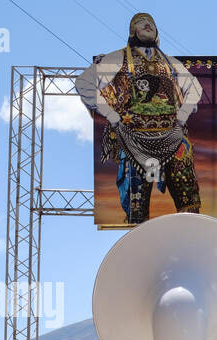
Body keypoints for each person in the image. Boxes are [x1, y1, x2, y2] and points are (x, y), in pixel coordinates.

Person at [74, 12, 202, 223]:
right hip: (134, 140)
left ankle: (192, 237)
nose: (148, 26)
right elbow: (84, 83)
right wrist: (112, 115)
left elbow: (194, 87)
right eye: (143, 24)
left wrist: (182, 116)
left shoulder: (169, 63)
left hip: (172, 137)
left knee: (189, 200)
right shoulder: (118, 58)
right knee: (137, 208)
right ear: (133, 30)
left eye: (151, 24)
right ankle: (140, 246)